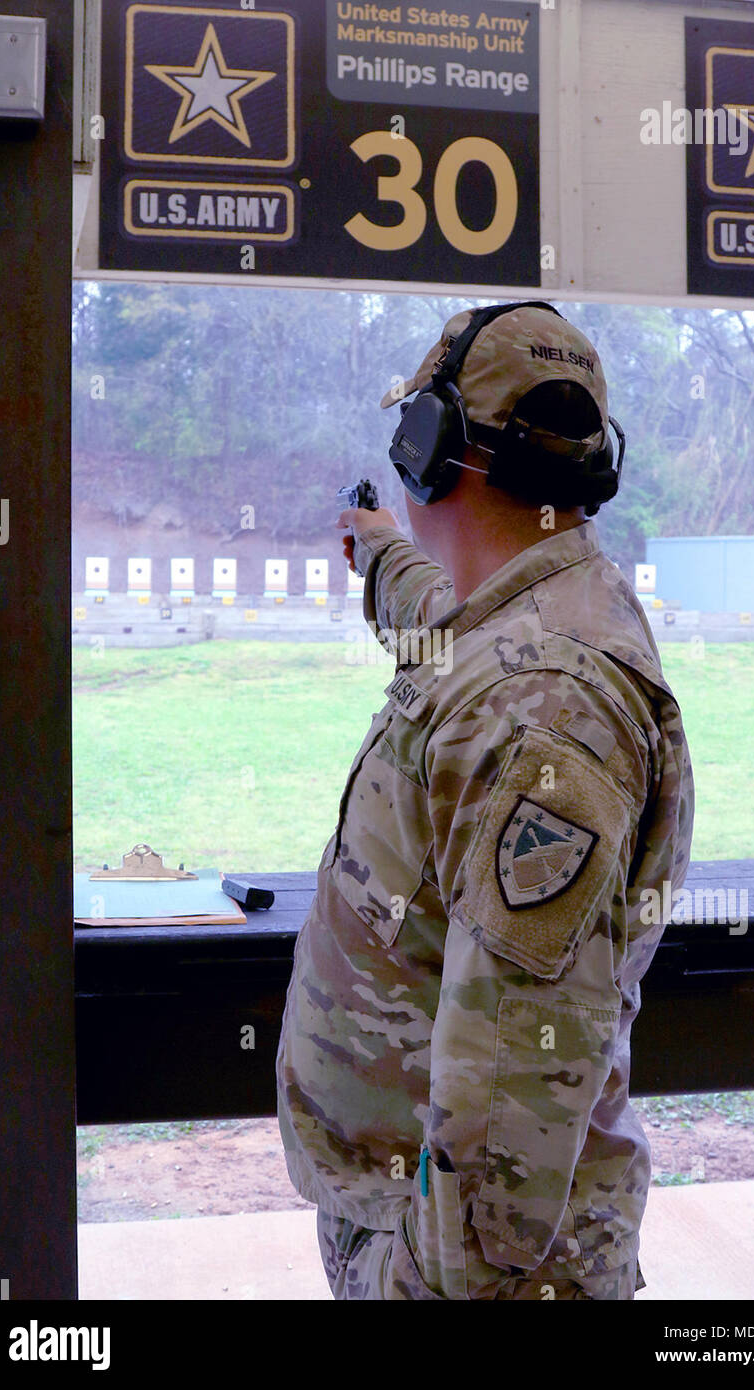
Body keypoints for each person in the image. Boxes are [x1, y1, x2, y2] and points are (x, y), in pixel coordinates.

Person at [275, 300, 695, 1300]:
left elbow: (510, 1104)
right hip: (434, 1227)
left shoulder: (537, 701)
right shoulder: (540, 615)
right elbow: (453, 637)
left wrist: (409, 1276)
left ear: (427, 445)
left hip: (465, 1268)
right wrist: (384, 552)